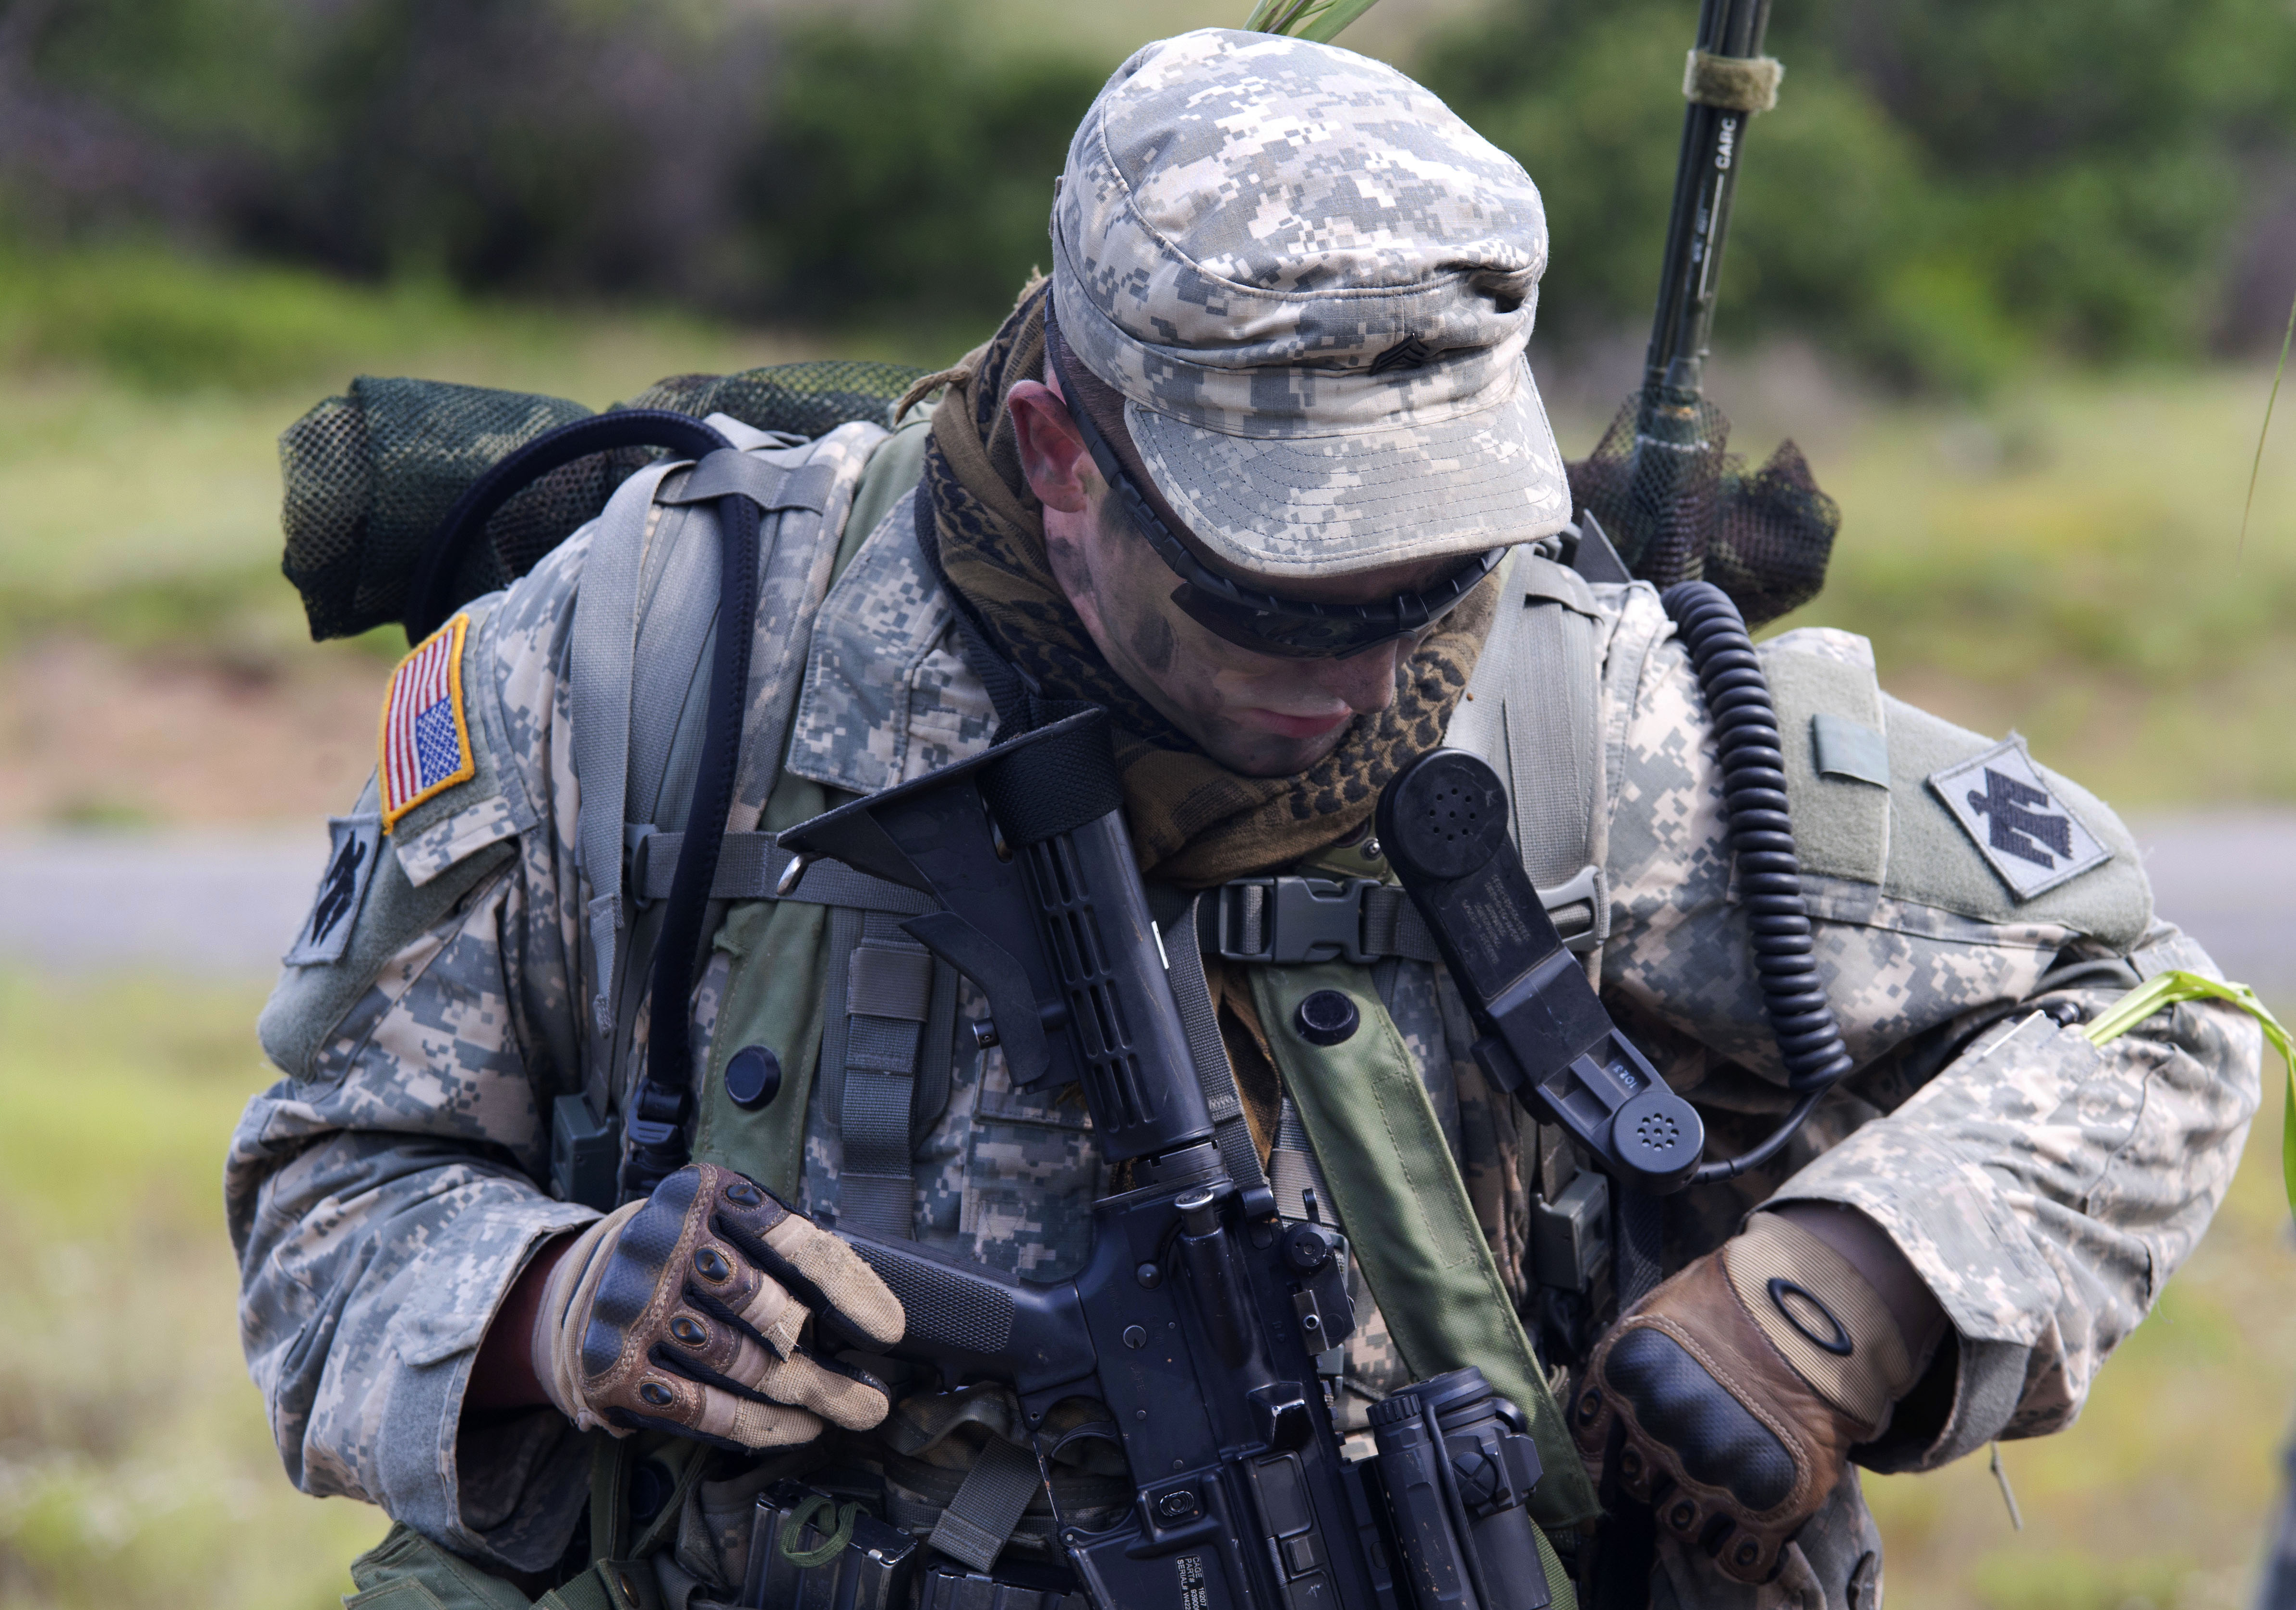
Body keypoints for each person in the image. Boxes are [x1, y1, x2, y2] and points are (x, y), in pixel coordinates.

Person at [229, 29, 2264, 1610]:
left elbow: (2145, 1008)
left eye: (1431, 573)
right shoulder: (651, 656)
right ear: (1056, 452)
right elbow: (331, 1200)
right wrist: (554, 1303)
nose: (1374, 664)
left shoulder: (1598, 711)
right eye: (1275, 590)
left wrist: (1833, 1297)